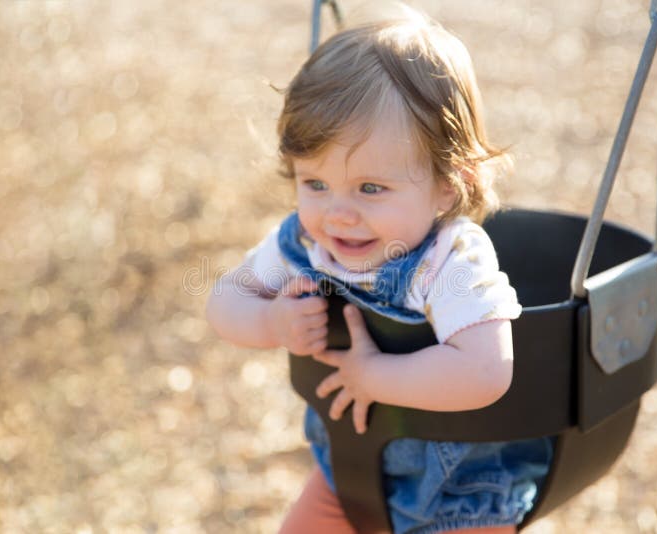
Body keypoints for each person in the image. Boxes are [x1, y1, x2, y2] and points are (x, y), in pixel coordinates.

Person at [206, 9, 553, 534]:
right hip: (349, 475)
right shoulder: (304, 243)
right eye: (316, 184)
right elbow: (225, 299)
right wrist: (271, 323)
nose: (338, 213)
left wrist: (375, 377)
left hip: (461, 499)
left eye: (371, 188)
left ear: (447, 185)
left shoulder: (450, 260)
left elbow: (486, 371)